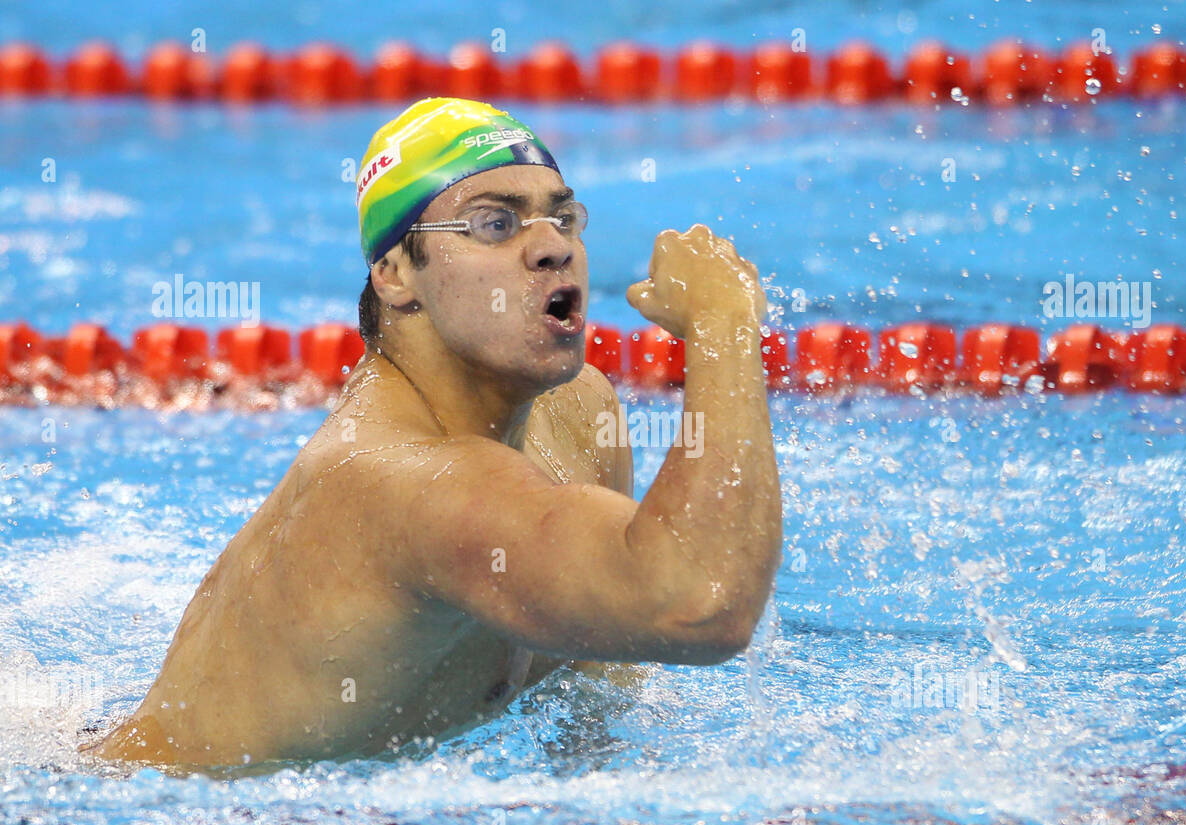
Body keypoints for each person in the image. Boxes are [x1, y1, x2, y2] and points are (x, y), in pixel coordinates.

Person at [87, 97, 782, 768]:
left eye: (562, 218)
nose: (552, 248)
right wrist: (723, 326)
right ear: (394, 276)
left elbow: (596, 689)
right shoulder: (399, 485)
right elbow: (699, 603)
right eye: (494, 225)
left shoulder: (580, 415)